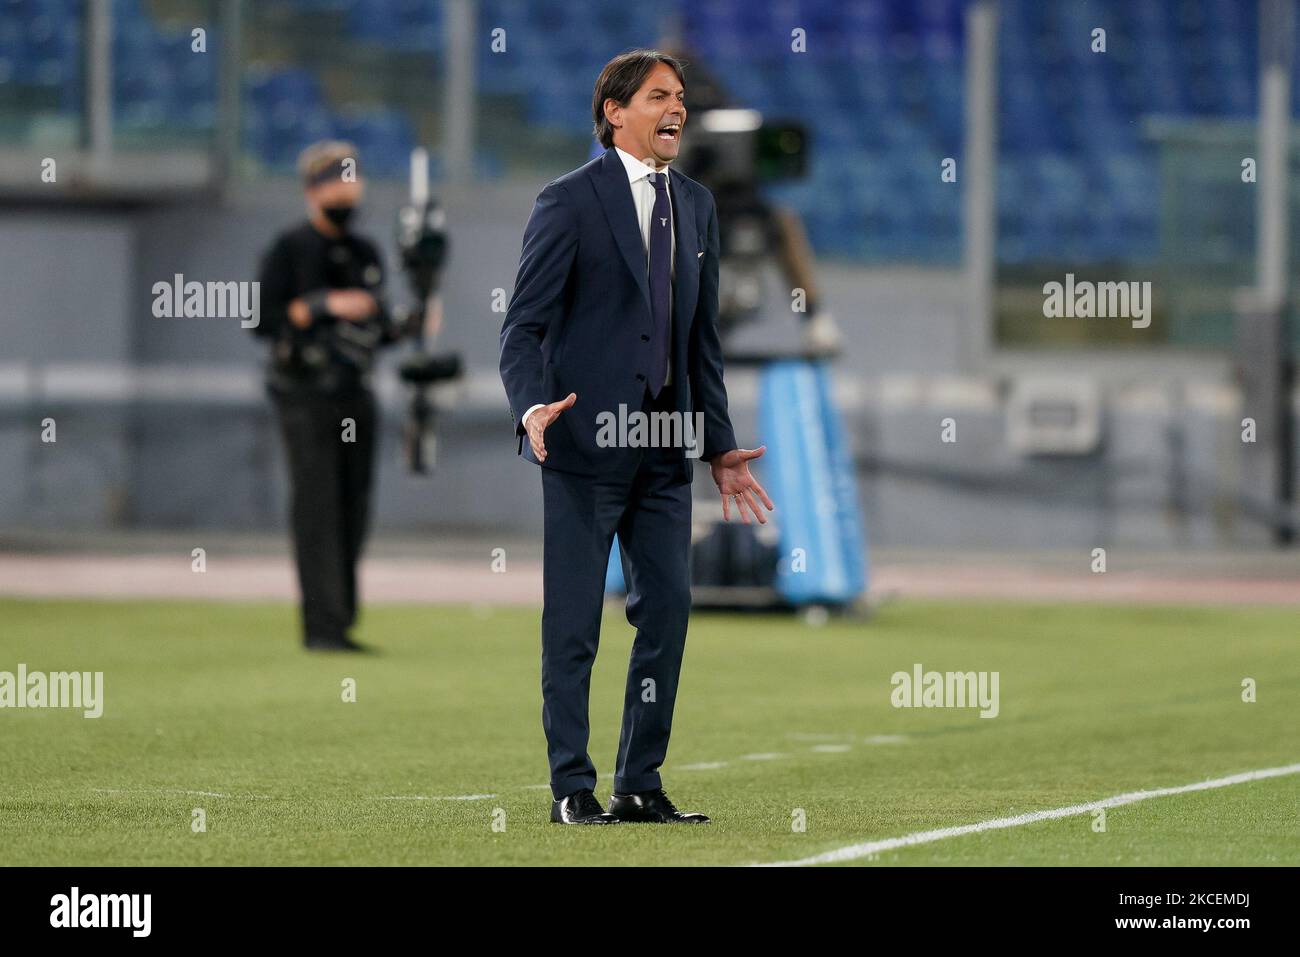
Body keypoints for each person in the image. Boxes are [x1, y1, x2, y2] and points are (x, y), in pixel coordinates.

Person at [499, 50, 775, 825]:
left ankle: (640, 781)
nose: (676, 109)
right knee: (575, 625)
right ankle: (571, 787)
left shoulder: (696, 204)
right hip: (584, 446)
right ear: (615, 111)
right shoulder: (568, 201)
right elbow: (522, 326)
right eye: (659, 96)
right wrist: (530, 408)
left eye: (680, 97)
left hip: (664, 447)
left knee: (668, 614)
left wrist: (718, 446)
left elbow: (701, 342)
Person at [252, 140, 398, 652]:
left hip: (355, 393)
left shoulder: (364, 252)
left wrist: (407, 321)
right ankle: (321, 625)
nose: (352, 190)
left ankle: (341, 618)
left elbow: (382, 328)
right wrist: (321, 304)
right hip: (305, 394)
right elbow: (262, 318)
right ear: (315, 188)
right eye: (342, 179)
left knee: (354, 505)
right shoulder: (290, 247)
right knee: (317, 506)